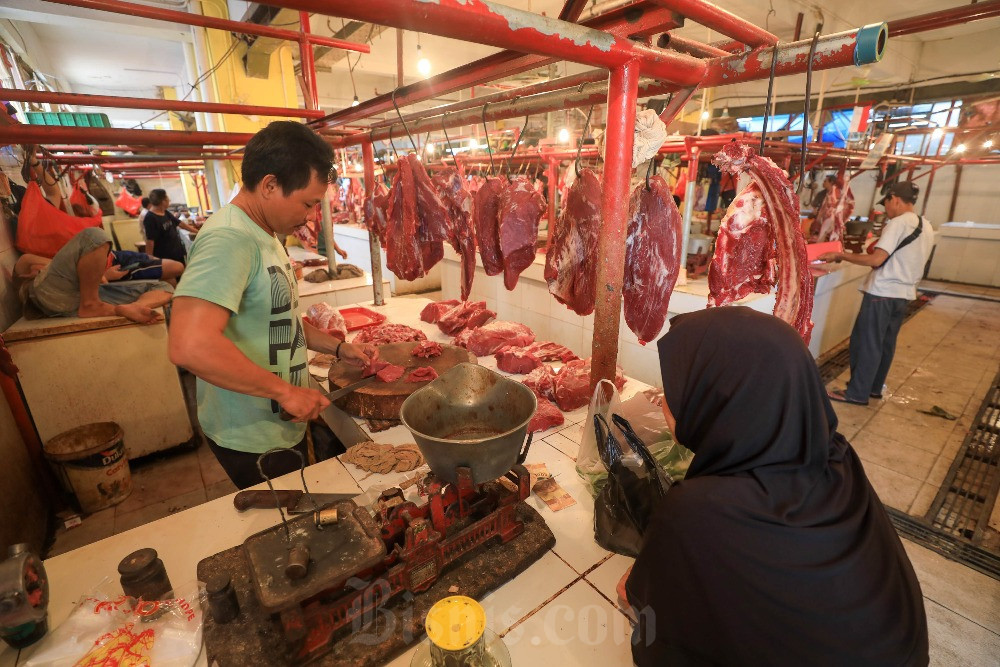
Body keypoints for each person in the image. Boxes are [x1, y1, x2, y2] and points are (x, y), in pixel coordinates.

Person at [623, 307, 929, 666]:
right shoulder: (837, 457)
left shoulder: (699, 511)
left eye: (676, 391)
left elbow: (651, 620)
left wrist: (652, 573)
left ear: (715, 402)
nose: (665, 403)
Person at [168, 121, 377, 489]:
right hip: (251, 437)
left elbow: (279, 318)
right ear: (269, 185)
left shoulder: (264, 233)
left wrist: (338, 347)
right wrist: (285, 392)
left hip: (280, 425)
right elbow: (189, 345)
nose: (310, 216)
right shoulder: (229, 238)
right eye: (308, 203)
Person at [820, 181, 934, 405]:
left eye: (887, 203)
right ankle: (873, 389)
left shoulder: (898, 223)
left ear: (896, 200)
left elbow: (876, 259)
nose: (886, 209)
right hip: (903, 294)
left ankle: (856, 393)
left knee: (866, 343)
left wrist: (840, 256)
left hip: (882, 292)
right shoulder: (925, 225)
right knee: (885, 344)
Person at [14, 227, 173, 324]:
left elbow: (25, 261)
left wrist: (97, 275)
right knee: (94, 236)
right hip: (62, 294)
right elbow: (23, 263)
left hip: (78, 301)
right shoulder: (50, 275)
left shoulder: (70, 260)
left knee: (165, 286)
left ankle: (135, 307)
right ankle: (91, 304)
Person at [142, 189, 197, 264]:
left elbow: (180, 223)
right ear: (162, 201)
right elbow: (150, 241)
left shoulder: (165, 212)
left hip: (177, 252)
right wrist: (149, 260)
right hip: (165, 257)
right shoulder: (150, 218)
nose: (169, 200)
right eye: (167, 198)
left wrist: (197, 231)